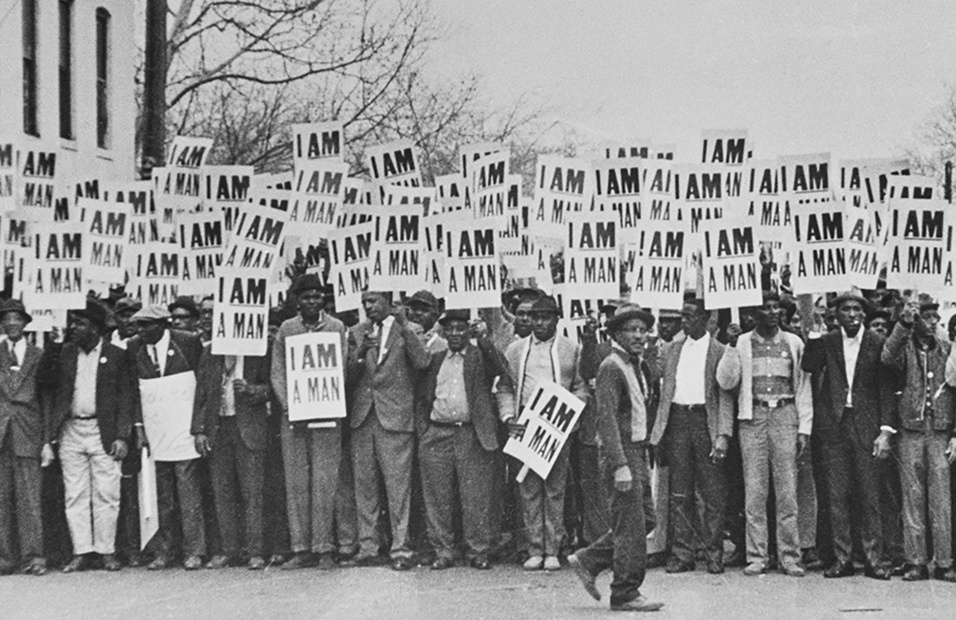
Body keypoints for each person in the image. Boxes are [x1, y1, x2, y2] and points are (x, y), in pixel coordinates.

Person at [568, 303, 663, 612]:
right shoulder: (611, 366)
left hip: (635, 450)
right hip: (621, 454)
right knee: (632, 525)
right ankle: (625, 592)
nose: (638, 335)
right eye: (631, 330)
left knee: (643, 520)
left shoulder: (636, 364)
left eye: (642, 330)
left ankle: (588, 559)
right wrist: (620, 464)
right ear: (616, 334)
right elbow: (605, 419)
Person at [717, 291, 812, 577]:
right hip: (753, 417)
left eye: (776, 308)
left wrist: (804, 427)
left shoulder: (793, 342)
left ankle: (789, 556)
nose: (772, 313)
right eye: (766, 308)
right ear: (754, 313)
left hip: (785, 414)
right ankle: (757, 556)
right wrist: (731, 346)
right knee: (755, 491)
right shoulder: (742, 342)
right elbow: (725, 380)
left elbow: (803, 387)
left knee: (787, 492)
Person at [802, 290, 892, 580]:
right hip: (835, 426)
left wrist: (884, 431)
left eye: (856, 310)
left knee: (869, 495)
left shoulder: (878, 343)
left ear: (864, 314)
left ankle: (873, 559)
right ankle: (842, 559)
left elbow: (886, 390)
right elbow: (809, 366)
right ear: (836, 315)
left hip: (866, 425)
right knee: (837, 495)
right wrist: (815, 329)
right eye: (845, 310)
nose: (852, 315)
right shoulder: (827, 341)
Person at [498, 295, 588, 571]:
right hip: (526, 420)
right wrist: (509, 416)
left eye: (545, 317)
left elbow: (580, 386)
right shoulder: (514, 350)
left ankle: (553, 549)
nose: (539, 322)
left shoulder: (571, 349)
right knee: (528, 487)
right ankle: (535, 548)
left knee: (555, 488)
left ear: (556, 320)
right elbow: (505, 387)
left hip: (556, 425)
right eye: (535, 317)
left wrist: (571, 415)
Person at [47, 301, 134, 573]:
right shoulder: (64, 352)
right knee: (75, 493)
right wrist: (53, 346)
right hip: (71, 429)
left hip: (102, 431)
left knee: (107, 492)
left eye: (80, 323)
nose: (73, 327)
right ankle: (81, 550)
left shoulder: (116, 355)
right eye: (72, 321)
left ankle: (106, 550)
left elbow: (126, 398)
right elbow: (44, 381)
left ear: (95, 328)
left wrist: (122, 436)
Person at [416, 310, 507, 570]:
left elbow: (501, 369)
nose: (455, 333)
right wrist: (425, 431)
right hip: (438, 432)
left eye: (460, 328)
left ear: (468, 331)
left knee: (475, 496)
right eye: (450, 329)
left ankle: (478, 550)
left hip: (470, 432)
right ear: (443, 332)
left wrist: (485, 340)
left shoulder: (480, 356)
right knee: (437, 496)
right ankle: (443, 550)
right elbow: (423, 396)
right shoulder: (435, 359)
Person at [270, 275, 349, 570]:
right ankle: (301, 547)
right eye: (306, 297)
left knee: (325, 480)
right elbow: (277, 372)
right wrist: (288, 404)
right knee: (297, 482)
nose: (312, 302)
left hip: (326, 412)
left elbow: (339, 367)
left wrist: (327, 400)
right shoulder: (287, 330)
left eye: (317, 297)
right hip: (295, 415)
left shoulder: (337, 327)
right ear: (297, 301)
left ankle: (324, 546)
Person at [347, 290, 430, 570]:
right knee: (365, 487)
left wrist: (405, 327)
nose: (368, 307)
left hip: (394, 418)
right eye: (364, 303)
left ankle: (401, 548)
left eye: (373, 301)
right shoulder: (356, 332)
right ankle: (369, 545)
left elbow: (422, 362)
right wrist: (359, 355)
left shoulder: (409, 329)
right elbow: (345, 377)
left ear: (388, 302)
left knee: (398, 488)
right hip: (363, 418)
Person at [650, 298, 733, 574]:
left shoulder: (720, 350)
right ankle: (682, 554)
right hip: (677, 421)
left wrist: (723, 434)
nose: (683, 322)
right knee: (680, 491)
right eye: (682, 316)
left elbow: (725, 395)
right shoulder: (671, 349)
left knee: (712, 493)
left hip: (704, 422)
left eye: (689, 317)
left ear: (706, 319)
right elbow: (652, 373)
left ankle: (713, 552)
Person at [127, 305, 205, 570]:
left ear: (162, 325)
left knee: (188, 492)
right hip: (155, 431)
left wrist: (198, 426)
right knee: (162, 495)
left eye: (146, 325)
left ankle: (194, 550)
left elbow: (202, 385)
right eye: (138, 325)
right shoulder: (134, 347)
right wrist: (139, 428)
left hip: (183, 429)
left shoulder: (189, 342)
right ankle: (164, 551)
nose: (140, 331)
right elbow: (134, 391)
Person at [884, 299, 956, 582]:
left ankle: (944, 561)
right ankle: (915, 561)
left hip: (939, 431)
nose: (932, 321)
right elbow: (887, 357)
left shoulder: (947, 350)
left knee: (940, 500)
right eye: (926, 316)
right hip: (911, 431)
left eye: (935, 317)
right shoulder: (904, 349)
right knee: (912, 497)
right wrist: (904, 323)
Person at [192, 340, 272, 570]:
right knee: (222, 491)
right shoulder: (210, 351)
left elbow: (272, 386)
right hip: (218, 428)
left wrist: (253, 390)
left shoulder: (257, 348)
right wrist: (199, 430)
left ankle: (255, 552)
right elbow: (202, 392)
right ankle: (229, 550)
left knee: (252, 492)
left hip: (248, 428)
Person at [0, 299, 48, 576]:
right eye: (6, 319)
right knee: (2, 499)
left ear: (26, 323)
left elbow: (46, 399)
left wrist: (45, 441)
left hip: (28, 433)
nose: (11, 323)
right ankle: (5, 558)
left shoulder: (38, 355)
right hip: (2, 434)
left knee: (30, 500)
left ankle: (34, 557)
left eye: (16, 318)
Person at [406, 290, 446, 355]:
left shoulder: (442, 347)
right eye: (414, 308)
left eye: (424, 310)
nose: (418, 313)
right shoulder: (397, 339)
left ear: (435, 315)